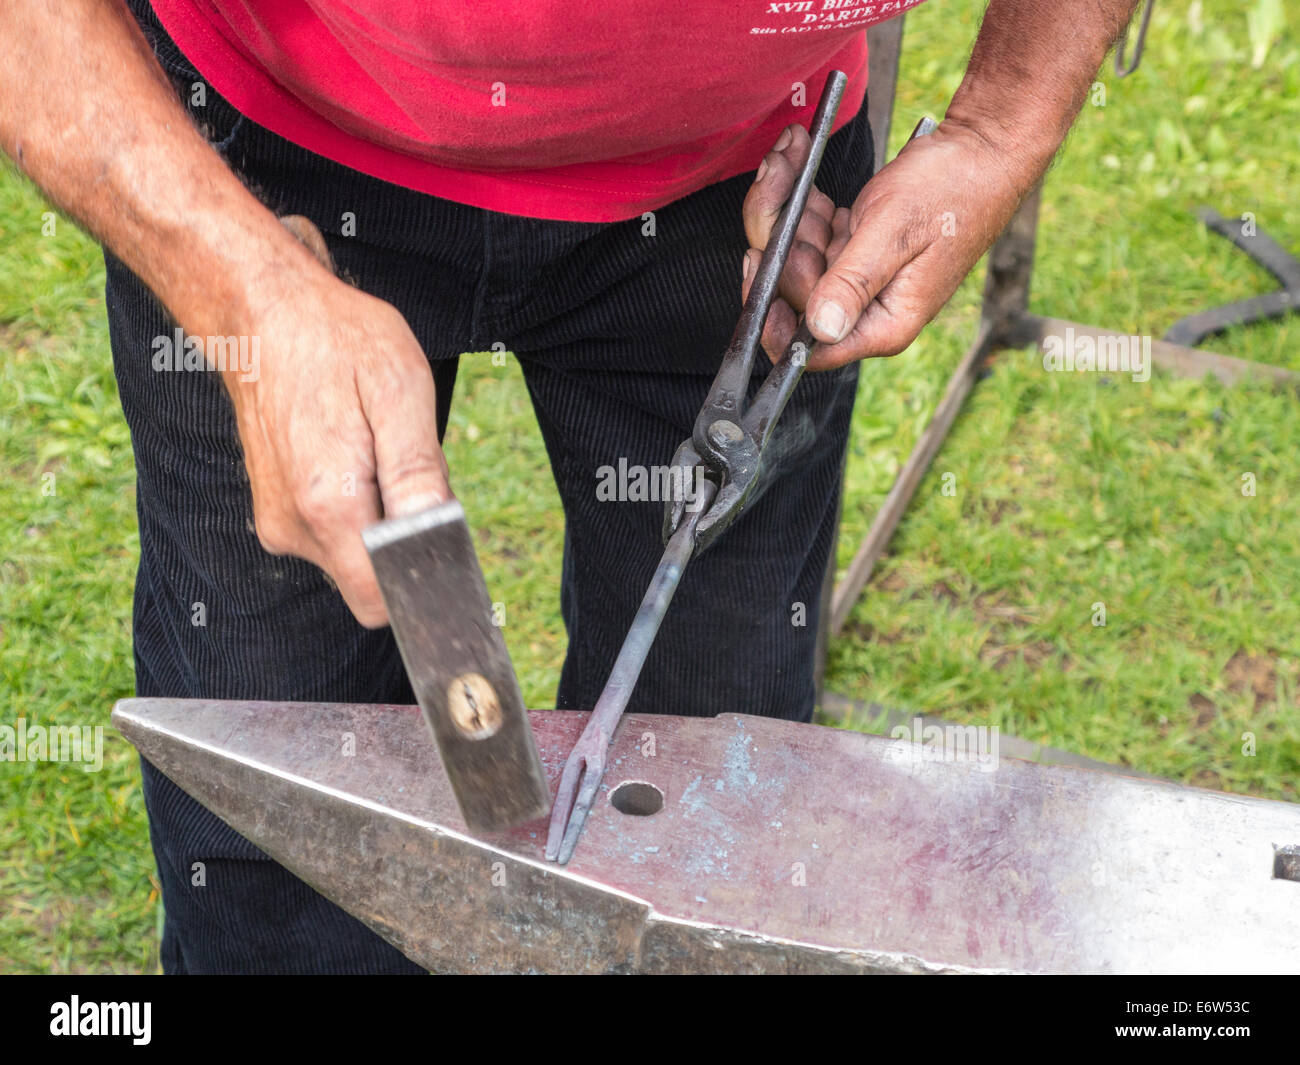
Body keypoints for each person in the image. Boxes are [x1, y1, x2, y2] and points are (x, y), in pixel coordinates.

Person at [0, 0, 1141, 973]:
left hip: (739, 188)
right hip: (264, 153)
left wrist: (1000, 126)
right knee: (275, 797)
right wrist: (238, 286)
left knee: (718, 802)